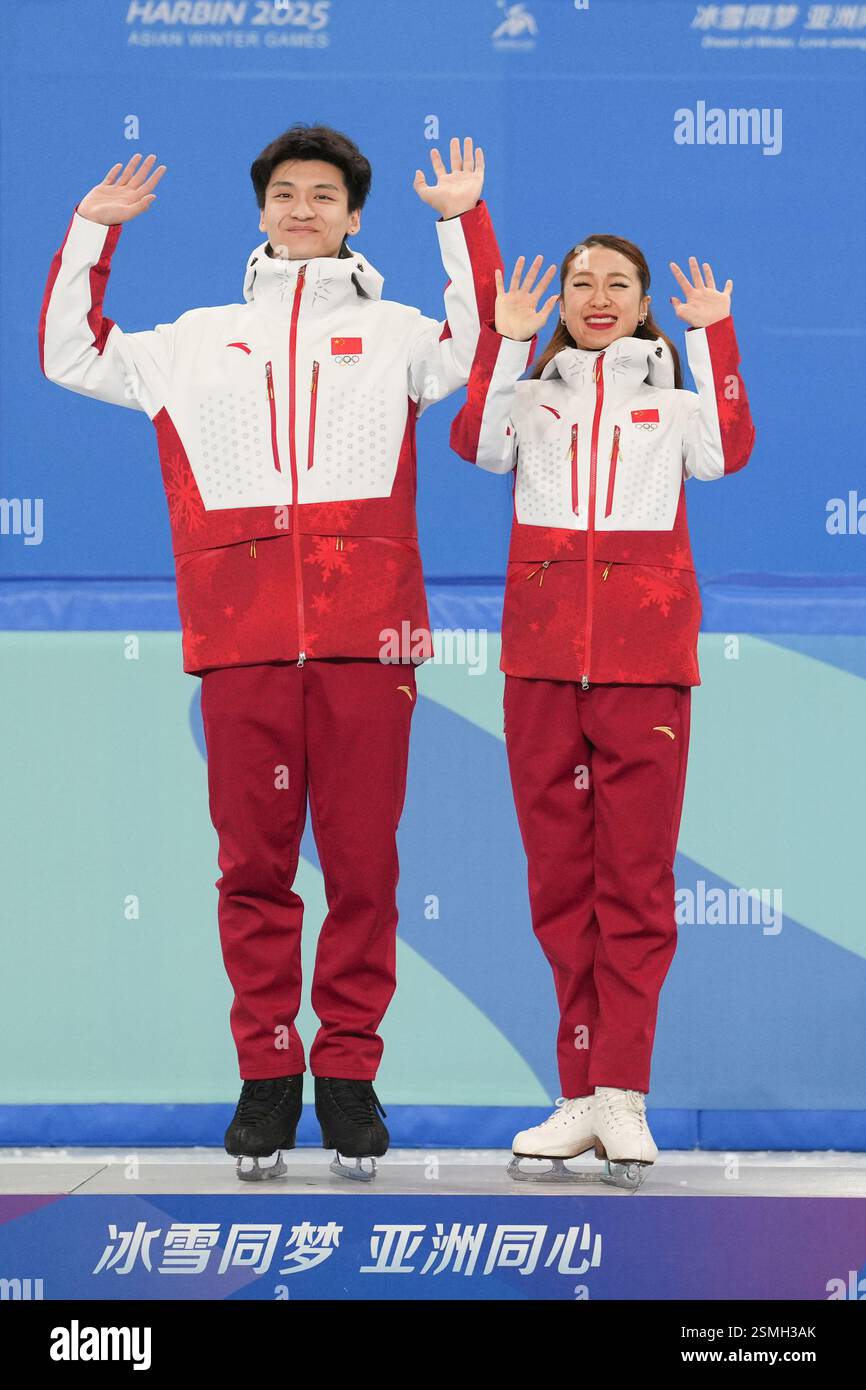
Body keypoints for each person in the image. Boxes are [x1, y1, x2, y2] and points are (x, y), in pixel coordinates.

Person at [39, 126, 501, 1181]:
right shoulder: (193, 339)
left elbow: (480, 345)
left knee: (362, 868)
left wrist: (459, 220)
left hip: (366, 639)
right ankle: (266, 1073)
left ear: (351, 215)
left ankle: (346, 1073)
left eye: (324, 195)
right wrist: (88, 237)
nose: (302, 207)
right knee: (251, 870)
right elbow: (69, 352)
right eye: (285, 193)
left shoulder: (394, 333)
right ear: (258, 213)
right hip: (240, 641)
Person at [450, 239, 755, 1186]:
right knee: (558, 885)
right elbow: (475, 442)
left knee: (633, 881)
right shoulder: (533, 399)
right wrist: (505, 345)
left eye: (616, 284)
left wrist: (716, 339)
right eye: (580, 284)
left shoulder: (674, 404)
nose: (596, 298)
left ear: (643, 301)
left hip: (645, 664)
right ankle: (577, 1095)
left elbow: (729, 452)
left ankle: (623, 1092)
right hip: (541, 665)